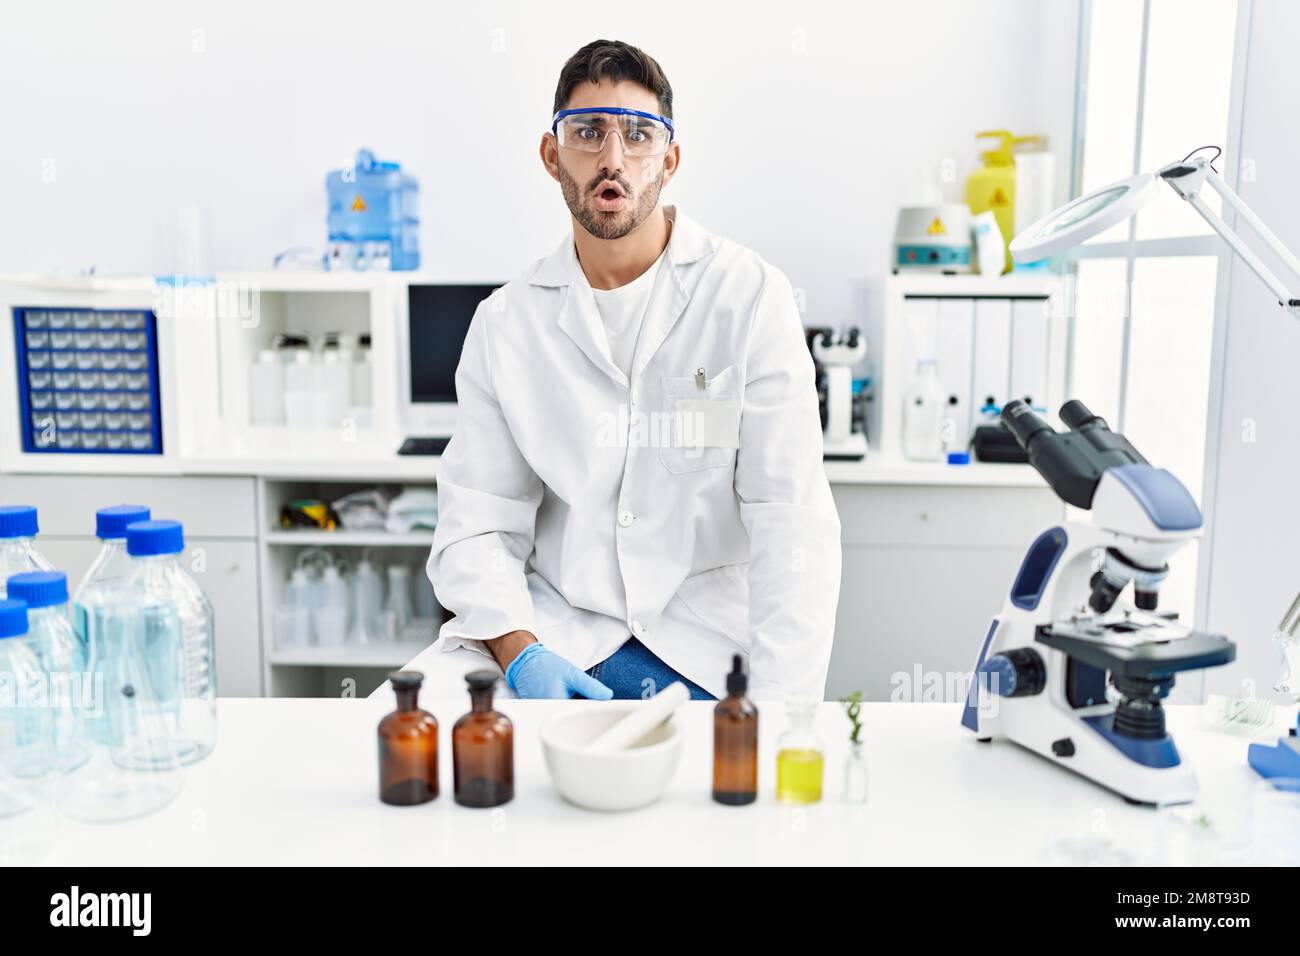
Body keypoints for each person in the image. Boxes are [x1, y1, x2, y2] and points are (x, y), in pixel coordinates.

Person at [427, 39, 841, 701]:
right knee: (421, 749)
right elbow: (477, 523)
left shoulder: (749, 297)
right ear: (551, 155)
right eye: (587, 132)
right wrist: (520, 651)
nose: (613, 158)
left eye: (639, 135)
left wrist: (780, 713)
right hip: (557, 631)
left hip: (709, 641)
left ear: (668, 161)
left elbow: (790, 521)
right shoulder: (506, 325)